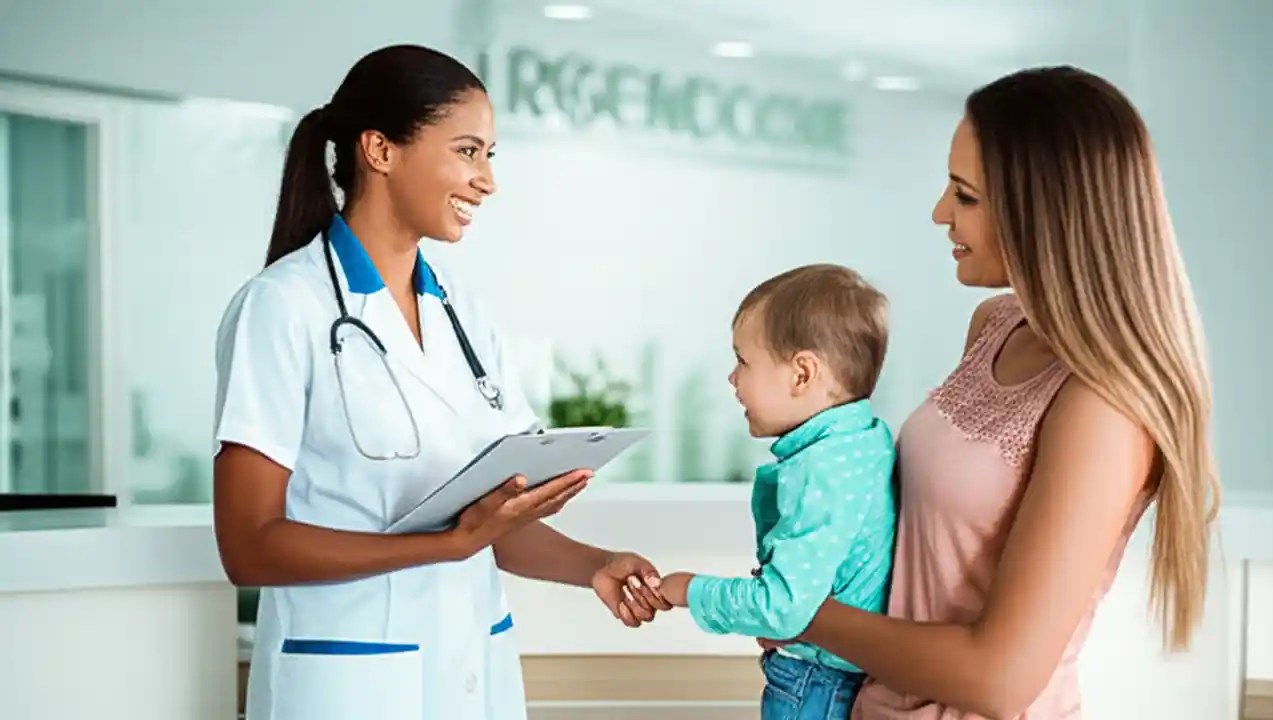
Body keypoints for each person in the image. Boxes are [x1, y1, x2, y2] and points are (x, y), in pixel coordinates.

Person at [210, 45, 670, 720]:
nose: (487, 181)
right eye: (467, 151)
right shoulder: (282, 306)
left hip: (472, 676)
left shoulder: (462, 312)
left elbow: (493, 527)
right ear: (380, 150)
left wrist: (594, 565)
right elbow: (248, 545)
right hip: (348, 687)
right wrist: (445, 546)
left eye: (490, 155)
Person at [755, 66, 1220, 720]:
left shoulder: (1103, 406)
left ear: (1048, 211)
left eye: (965, 195)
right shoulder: (995, 325)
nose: (940, 213)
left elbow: (998, 679)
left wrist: (799, 613)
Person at [657, 264, 898, 720]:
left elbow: (781, 608)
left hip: (817, 684)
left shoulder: (820, 471)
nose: (732, 379)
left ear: (802, 374)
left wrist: (688, 590)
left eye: (743, 361)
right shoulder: (866, 439)